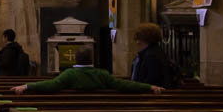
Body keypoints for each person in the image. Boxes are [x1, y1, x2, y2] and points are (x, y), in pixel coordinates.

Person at [10, 47, 163, 95]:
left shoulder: (70, 74)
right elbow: (124, 85)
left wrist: (27, 86)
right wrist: (149, 87)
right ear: (91, 59)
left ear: (75, 59)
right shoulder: (101, 74)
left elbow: (50, 85)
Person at [130, 22, 169, 87]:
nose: (137, 42)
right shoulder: (154, 52)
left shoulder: (151, 55)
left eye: (138, 38)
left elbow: (152, 79)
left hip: (148, 94)